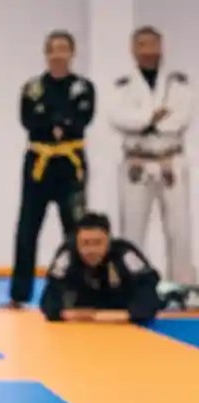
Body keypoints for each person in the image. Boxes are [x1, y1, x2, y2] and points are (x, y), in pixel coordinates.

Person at [6, 30, 96, 309]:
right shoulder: (32, 87)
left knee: (76, 229)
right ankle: (19, 294)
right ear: (46, 54)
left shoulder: (83, 87)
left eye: (63, 49)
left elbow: (83, 118)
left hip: (70, 163)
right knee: (27, 228)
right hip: (39, 163)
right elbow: (28, 120)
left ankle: (79, 293)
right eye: (53, 49)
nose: (58, 54)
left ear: (72, 53)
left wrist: (57, 121)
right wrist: (56, 122)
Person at [106, 26, 195, 285]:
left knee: (179, 229)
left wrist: (144, 122)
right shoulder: (122, 85)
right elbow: (118, 118)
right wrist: (150, 118)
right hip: (137, 161)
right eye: (142, 45)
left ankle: (184, 286)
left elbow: (181, 117)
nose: (148, 51)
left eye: (153, 45)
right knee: (132, 230)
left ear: (162, 47)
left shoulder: (178, 83)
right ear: (133, 49)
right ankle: (131, 285)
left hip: (170, 160)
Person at [39, 211, 162, 325]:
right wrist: (62, 313)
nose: (91, 250)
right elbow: (50, 294)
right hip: (83, 312)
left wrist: (127, 314)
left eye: (98, 243)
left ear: (108, 240)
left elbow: (148, 286)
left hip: (121, 308)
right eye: (85, 243)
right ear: (76, 242)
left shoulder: (124, 253)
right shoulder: (68, 254)